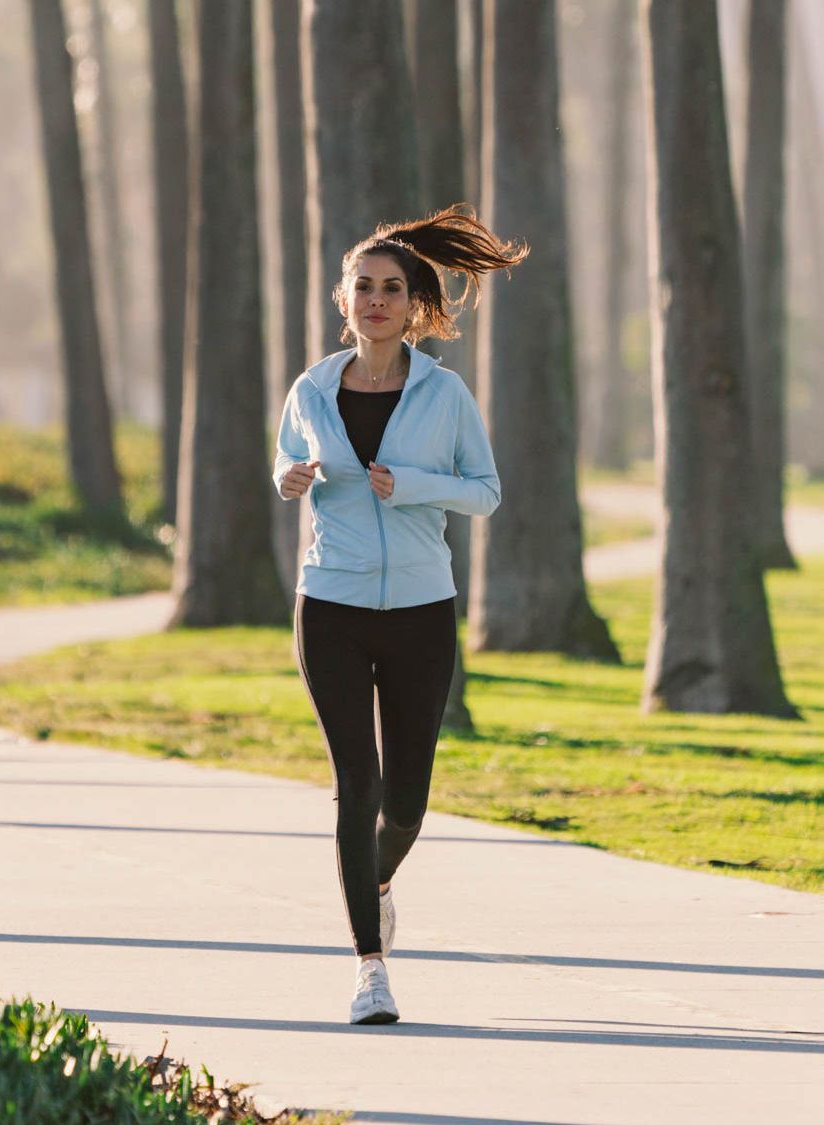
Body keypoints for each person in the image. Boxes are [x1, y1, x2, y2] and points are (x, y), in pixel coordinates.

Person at [272, 205, 523, 1025]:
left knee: (407, 799)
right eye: (363, 288)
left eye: (391, 288)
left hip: (420, 607)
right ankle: (368, 968)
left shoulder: (444, 395)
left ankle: (373, 881)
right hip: (332, 602)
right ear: (342, 299)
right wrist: (292, 480)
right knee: (358, 783)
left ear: (413, 303)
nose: (376, 300)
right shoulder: (311, 387)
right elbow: (284, 459)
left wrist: (411, 484)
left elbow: (484, 492)